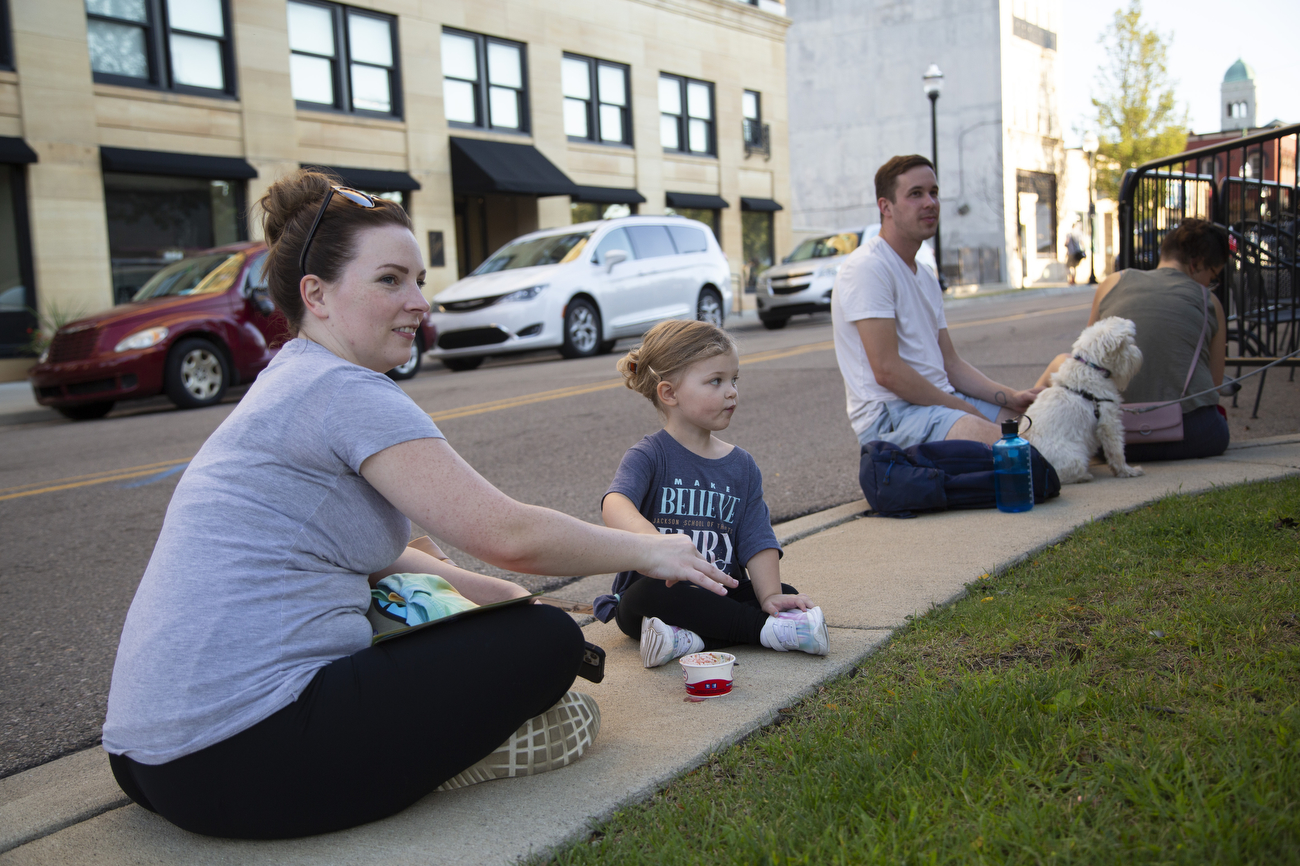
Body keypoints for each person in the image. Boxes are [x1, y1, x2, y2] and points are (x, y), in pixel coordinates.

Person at [101, 170, 736, 840]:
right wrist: (652, 547)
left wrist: (491, 593)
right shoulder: (345, 391)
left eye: (419, 279)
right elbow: (505, 531)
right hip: (241, 756)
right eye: (389, 280)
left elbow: (356, 553)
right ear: (315, 294)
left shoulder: (288, 382)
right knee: (549, 644)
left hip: (146, 760)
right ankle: (459, 761)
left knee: (512, 621)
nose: (419, 302)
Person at [593, 320, 828, 668]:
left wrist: (770, 595)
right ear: (669, 393)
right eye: (715, 381)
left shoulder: (741, 465)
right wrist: (655, 546)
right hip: (661, 592)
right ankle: (766, 632)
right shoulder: (649, 455)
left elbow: (757, 538)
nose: (731, 391)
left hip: (720, 590)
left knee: (785, 594)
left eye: (733, 380)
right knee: (645, 596)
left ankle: (689, 639)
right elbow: (615, 503)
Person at [831, 154, 1040, 449]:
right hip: (891, 416)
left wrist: (1011, 396)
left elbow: (950, 363)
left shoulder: (926, 275)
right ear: (885, 207)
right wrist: (963, 409)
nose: (930, 202)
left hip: (939, 400)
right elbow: (887, 371)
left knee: (1043, 430)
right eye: (915, 194)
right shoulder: (868, 267)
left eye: (934, 192)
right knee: (1024, 453)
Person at [1034, 218, 1230, 461]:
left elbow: (1087, 358)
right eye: (1213, 277)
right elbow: (1216, 381)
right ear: (1196, 264)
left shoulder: (1112, 283)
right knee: (1217, 419)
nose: (1210, 285)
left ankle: (1024, 424)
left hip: (1114, 439)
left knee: (1062, 362)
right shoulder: (1209, 302)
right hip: (1191, 435)